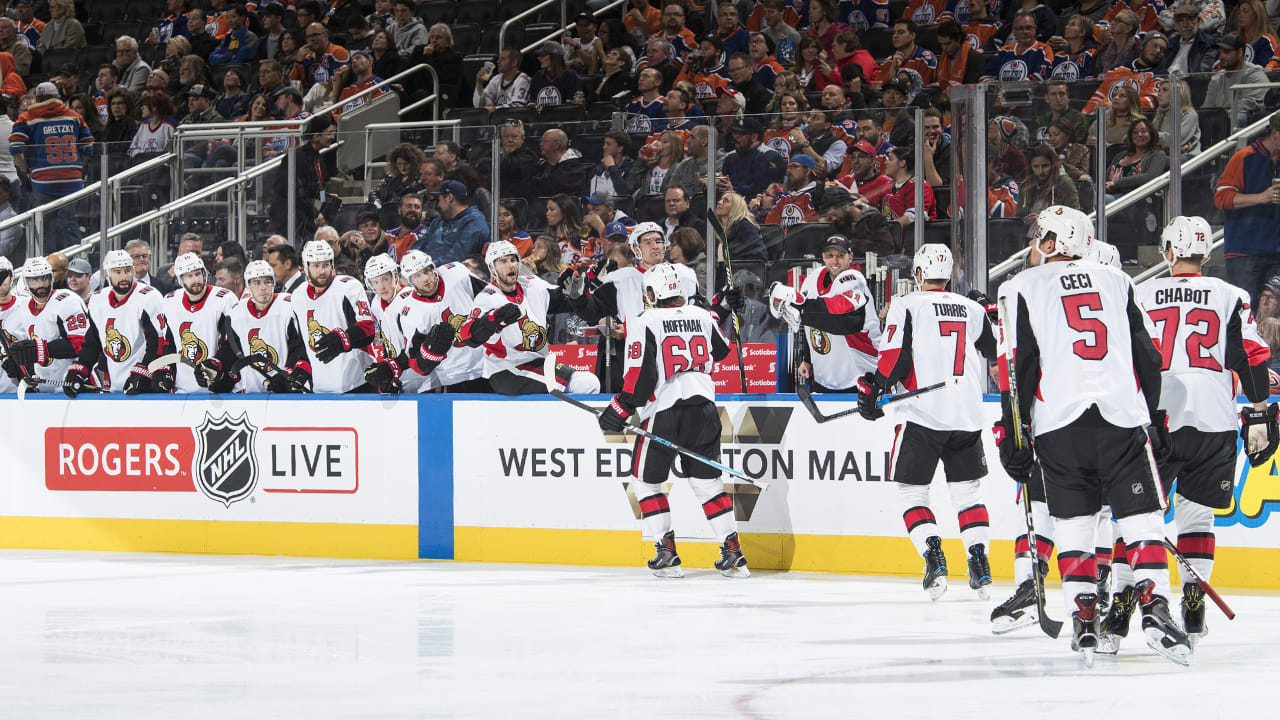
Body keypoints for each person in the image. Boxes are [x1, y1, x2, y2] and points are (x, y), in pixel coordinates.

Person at [995, 205, 1191, 665]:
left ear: (1051, 242)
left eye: (1037, 238)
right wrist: (1155, 419)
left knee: (1074, 523)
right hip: (1121, 418)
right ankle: (1156, 606)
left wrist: (1013, 435)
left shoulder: (1019, 287)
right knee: (1141, 518)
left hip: (1058, 423)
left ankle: (1082, 615)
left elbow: (1018, 369)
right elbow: (1148, 357)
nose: (1032, 246)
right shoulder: (1118, 280)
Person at [1120, 215, 1275, 648]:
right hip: (1215, 419)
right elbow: (1251, 357)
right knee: (1199, 516)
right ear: (1207, 254)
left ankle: (1120, 604)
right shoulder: (1230, 294)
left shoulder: (1142, 292)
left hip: (1157, 419)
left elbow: (1127, 358)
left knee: (1134, 517)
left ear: (1168, 251)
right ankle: (1193, 601)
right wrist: (1261, 415)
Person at [856, 243, 997, 600]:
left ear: (918, 274)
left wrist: (874, 389)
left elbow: (895, 359)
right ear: (949, 274)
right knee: (968, 494)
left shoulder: (908, 304)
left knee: (911, 492)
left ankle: (934, 557)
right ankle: (978, 559)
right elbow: (994, 351)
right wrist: (988, 314)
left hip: (922, 413)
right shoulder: (971, 307)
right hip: (966, 413)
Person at [596, 261, 746, 578]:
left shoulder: (645, 320)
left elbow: (641, 375)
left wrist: (620, 407)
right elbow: (721, 352)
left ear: (652, 293)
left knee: (646, 482)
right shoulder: (702, 315)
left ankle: (666, 551)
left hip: (664, 411)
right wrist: (718, 312)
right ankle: (732, 552)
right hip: (705, 409)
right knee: (708, 484)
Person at [458, 240, 601, 395]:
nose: (510, 265)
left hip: (538, 362)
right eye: (503, 261)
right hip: (507, 371)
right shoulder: (488, 297)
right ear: (492, 268)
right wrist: (494, 319)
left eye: (513, 260)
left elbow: (562, 299)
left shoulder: (532, 286)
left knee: (587, 382)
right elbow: (468, 336)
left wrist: (580, 292)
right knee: (584, 384)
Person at [765, 234, 879, 392]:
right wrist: (806, 358)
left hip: (861, 377)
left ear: (850, 257)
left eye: (840, 255)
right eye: (830, 255)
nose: (835, 261)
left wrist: (800, 306)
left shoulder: (855, 280)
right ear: (823, 257)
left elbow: (840, 320)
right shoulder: (812, 279)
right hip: (823, 378)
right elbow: (806, 323)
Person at [379, 250, 490, 393]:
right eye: (417, 276)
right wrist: (430, 354)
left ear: (433, 268)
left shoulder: (456, 272)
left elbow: (491, 297)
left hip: (488, 363)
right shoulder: (409, 311)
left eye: (427, 271)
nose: (425, 278)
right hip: (455, 375)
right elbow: (414, 358)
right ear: (410, 281)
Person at [62, 250, 171, 396]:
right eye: (117, 272)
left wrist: (144, 371)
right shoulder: (97, 300)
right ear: (107, 275)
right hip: (115, 385)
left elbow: (159, 343)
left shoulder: (149, 297)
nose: (124, 277)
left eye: (127, 271)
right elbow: (92, 343)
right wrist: (80, 368)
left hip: (147, 385)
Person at [9, 82, 94, 253]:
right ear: (57, 96)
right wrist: (77, 168)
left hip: (43, 182)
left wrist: (26, 168)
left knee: (44, 229)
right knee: (70, 224)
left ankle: (49, 270)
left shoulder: (27, 117)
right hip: (72, 181)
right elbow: (88, 147)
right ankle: (75, 265)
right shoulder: (74, 116)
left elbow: (15, 147)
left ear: (37, 98)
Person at [290, 239, 375, 393]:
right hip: (319, 388)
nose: (322, 271)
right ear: (306, 266)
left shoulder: (349, 287)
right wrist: (302, 366)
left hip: (356, 383)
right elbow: (302, 341)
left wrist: (343, 339)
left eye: (326, 265)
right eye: (316, 265)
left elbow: (367, 328)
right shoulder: (298, 296)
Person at [1214, 112, 1280, 305]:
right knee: (1244, 311)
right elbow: (1221, 197)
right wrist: (1262, 197)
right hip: (1245, 251)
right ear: (1275, 133)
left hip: (1276, 250)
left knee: (1275, 319)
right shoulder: (1244, 157)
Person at [221, 259, 310, 393]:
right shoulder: (237, 314)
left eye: (267, 282)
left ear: (273, 283)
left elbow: (300, 348)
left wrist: (288, 374)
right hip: (254, 393)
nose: (263, 287)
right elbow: (231, 352)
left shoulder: (288, 306)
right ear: (248, 286)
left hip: (290, 391)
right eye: (256, 283)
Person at [0, 256, 88, 390]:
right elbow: (17, 349)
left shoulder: (67, 300)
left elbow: (83, 344)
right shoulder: (21, 311)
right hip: (43, 388)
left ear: (51, 278)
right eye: (34, 280)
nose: (40, 284)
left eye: (44, 278)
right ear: (27, 282)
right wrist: (14, 363)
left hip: (73, 383)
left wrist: (42, 349)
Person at [159, 252, 239, 394]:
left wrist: (216, 365)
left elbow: (234, 344)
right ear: (181, 280)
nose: (195, 280)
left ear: (204, 274)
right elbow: (169, 343)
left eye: (198, 274)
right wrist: (166, 370)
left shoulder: (224, 299)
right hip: (183, 389)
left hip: (222, 388)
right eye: (189, 276)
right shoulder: (170, 301)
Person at [414, 180, 489, 265]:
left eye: (439, 200)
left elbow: (456, 258)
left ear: (450, 198)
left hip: (450, 273)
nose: (438, 205)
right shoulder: (439, 221)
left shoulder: (475, 222)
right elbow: (418, 246)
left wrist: (425, 267)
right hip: (424, 272)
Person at [1204, 33, 1270, 127]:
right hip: (1219, 121)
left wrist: (1224, 112)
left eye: (1226, 52)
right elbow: (1207, 107)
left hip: (1245, 125)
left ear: (1239, 52)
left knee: (1237, 116)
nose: (1221, 56)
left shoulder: (1255, 74)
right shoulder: (1217, 78)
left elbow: (1251, 103)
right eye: (1220, 52)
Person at [720, 118, 786, 201]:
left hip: (758, 207)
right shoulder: (730, 157)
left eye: (740, 133)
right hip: (731, 204)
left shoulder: (771, 157)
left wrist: (734, 190)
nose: (735, 137)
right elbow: (724, 184)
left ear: (754, 137)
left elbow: (764, 189)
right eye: (734, 133)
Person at [1105, 118, 1168, 201]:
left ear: (1151, 134)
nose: (1139, 134)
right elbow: (1105, 177)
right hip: (1108, 194)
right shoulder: (1121, 155)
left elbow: (1149, 177)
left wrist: (1117, 183)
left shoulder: (1158, 154)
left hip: (1131, 200)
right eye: (1135, 132)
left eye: (1143, 131)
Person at [1018, 146, 1082, 226]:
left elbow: (1075, 216)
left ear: (1053, 165)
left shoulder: (1064, 183)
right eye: (1036, 166)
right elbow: (1019, 217)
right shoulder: (1026, 186)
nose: (1041, 171)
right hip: (1029, 234)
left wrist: (1044, 219)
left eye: (1045, 166)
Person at [1164, 2, 1219, 75]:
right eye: (1181, 20)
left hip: (1190, 84)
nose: (1186, 25)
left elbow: (1202, 74)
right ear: (1176, 24)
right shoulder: (1170, 43)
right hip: (1166, 82)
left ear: (1198, 21)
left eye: (1190, 19)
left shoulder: (1209, 43)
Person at [532, 128, 590, 198]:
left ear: (556, 145)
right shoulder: (541, 165)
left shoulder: (574, 168)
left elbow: (550, 188)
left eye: (544, 141)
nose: (540, 144)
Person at [879, 18, 937, 86]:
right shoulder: (887, 62)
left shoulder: (926, 59)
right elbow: (884, 91)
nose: (895, 36)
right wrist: (893, 69)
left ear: (912, 35)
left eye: (901, 32)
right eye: (894, 33)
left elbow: (920, 90)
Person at [1033, 79, 1088, 147]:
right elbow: (1032, 145)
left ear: (1067, 96)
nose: (1058, 99)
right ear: (1046, 98)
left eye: (1061, 94)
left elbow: (1077, 145)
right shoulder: (1041, 120)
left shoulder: (1078, 119)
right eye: (1053, 94)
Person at [1154, 77, 1201, 157]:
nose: (1159, 94)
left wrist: (1152, 136)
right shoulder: (1160, 114)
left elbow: (1175, 140)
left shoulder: (1189, 114)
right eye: (1159, 90)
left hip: (1187, 157)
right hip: (1164, 155)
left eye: (1165, 90)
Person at [715, 191, 766, 263]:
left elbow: (759, 257)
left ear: (736, 207)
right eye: (720, 199)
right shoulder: (714, 228)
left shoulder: (746, 227)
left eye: (725, 200)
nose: (719, 202)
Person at [529, 41, 583, 107]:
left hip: (563, 116)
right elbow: (532, 104)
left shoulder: (570, 76)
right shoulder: (538, 77)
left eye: (542, 55)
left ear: (554, 57)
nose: (539, 58)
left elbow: (571, 108)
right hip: (541, 117)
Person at [1048, 14, 1098, 81]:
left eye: (1072, 24)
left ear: (1082, 32)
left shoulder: (1091, 54)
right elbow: (1048, 79)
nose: (1066, 27)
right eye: (1068, 24)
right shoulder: (1058, 56)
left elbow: (1086, 83)